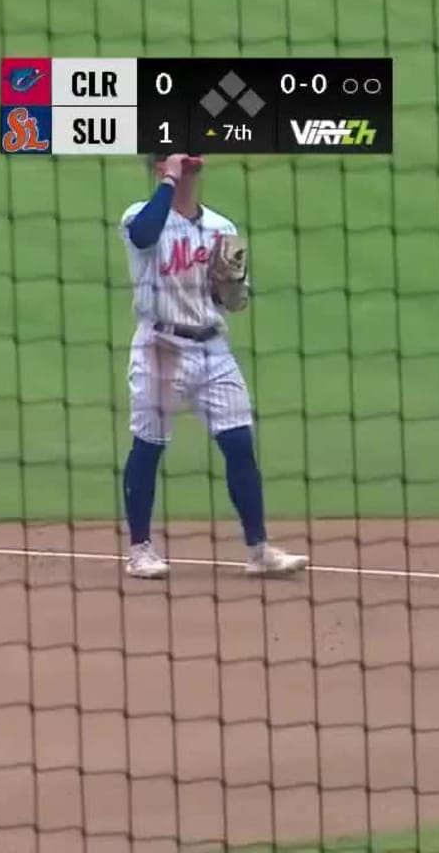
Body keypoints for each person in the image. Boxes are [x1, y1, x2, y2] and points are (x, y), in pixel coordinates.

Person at [117, 152, 308, 579]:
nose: (187, 176)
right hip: (159, 347)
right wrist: (167, 183)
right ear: (159, 169)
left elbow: (236, 302)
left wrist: (232, 287)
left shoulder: (221, 228)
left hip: (212, 349)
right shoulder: (138, 217)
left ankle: (259, 550)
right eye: (179, 169)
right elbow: (147, 235)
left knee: (239, 444)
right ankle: (140, 550)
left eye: (191, 170)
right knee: (148, 445)